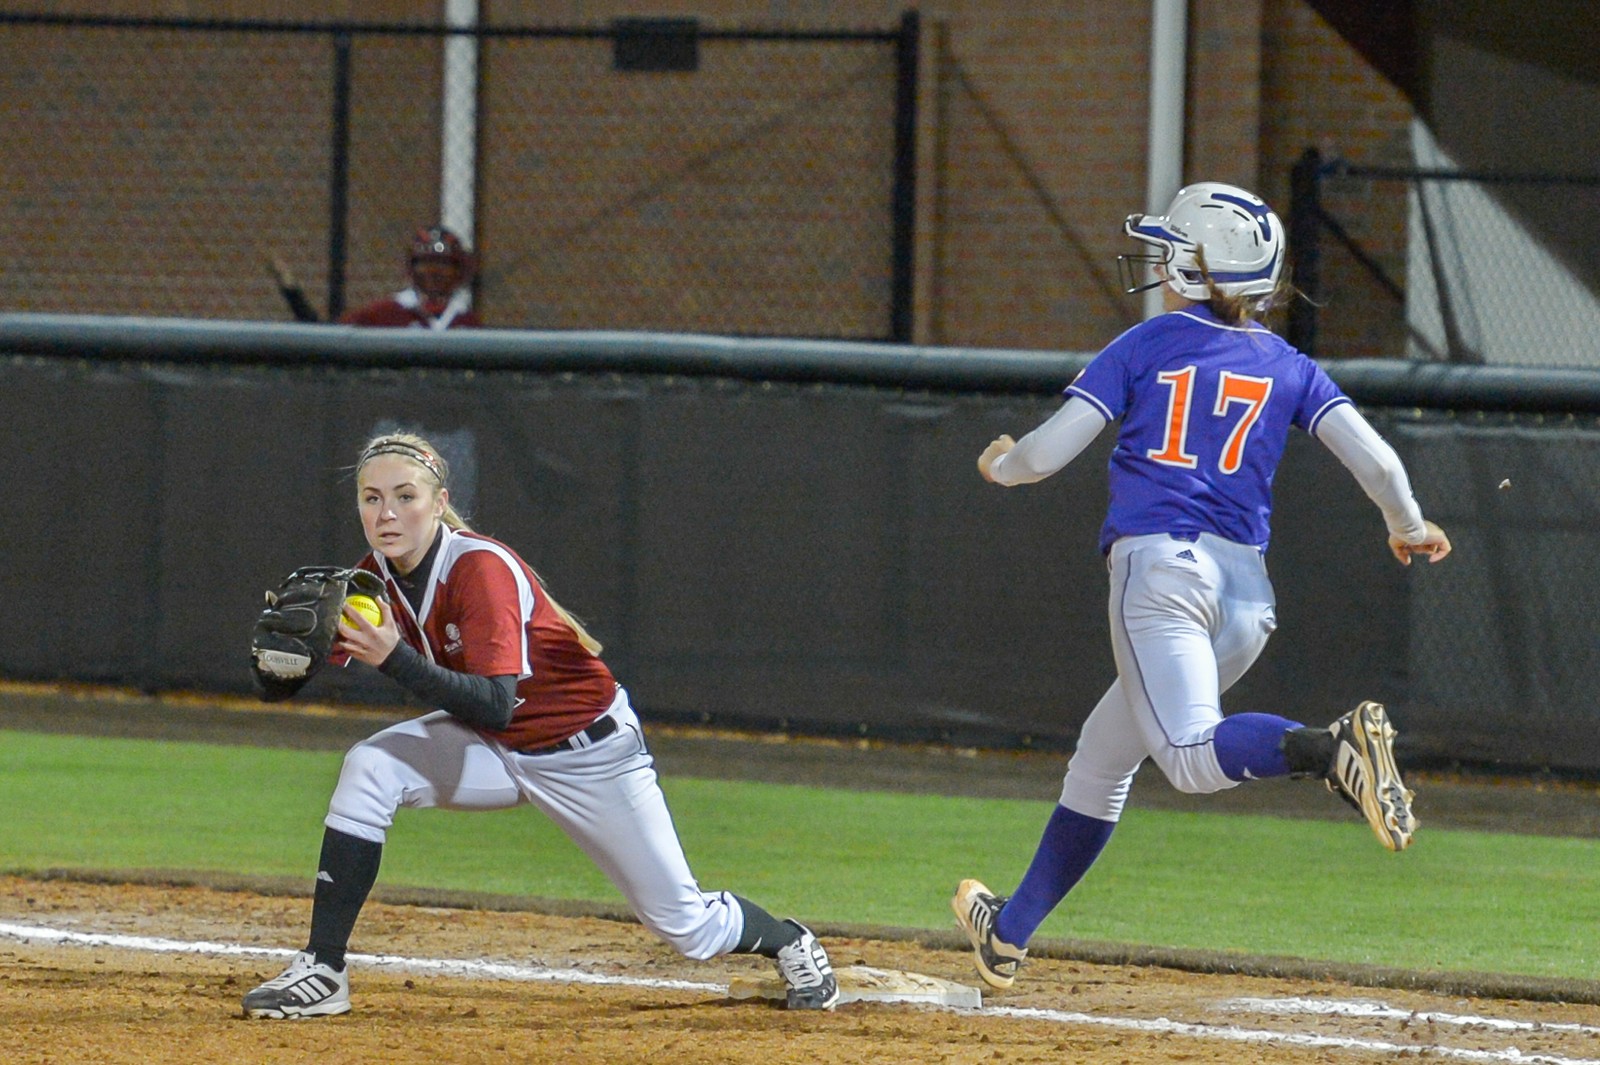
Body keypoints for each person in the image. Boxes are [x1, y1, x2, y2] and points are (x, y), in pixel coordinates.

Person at [950, 182, 1452, 992]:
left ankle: (1329, 749)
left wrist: (1000, 464)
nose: (1160, 256)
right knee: (1104, 758)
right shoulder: (1290, 365)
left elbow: (1042, 456)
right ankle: (1008, 932)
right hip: (1247, 600)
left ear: (1197, 263)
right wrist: (1408, 524)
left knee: (1185, 756)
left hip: (1160, 573)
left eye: (1172, 245)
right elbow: (1380, 464)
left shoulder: (1146, 344)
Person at [242, 431, 838, 1018]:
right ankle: (324, 970)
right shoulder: (373, 579)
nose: (387, 513)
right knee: (368, 767)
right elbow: (287, 686)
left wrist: (394, 657)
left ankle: (789, 940)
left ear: (440, 502)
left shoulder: (480, 570)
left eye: (406, 496)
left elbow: (496, 702)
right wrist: (277, 666)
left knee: (688, 926)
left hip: (589, 755)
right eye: (372, 498)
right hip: (496, 748)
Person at [269, 226, 484, 329]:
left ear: (458, 271)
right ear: (412, 268)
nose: (434, 272)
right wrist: (293, 295)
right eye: (426, 263)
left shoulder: (465, 321)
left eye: (443, 264)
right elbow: (327, 336)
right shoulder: (384, 313)